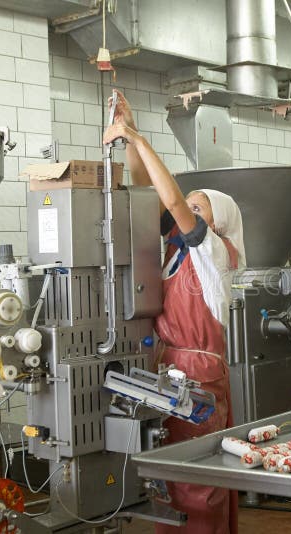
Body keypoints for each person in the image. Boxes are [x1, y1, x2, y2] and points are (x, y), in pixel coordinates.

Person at [103, 90, 242, 534]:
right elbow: (152, 193)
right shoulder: (175, 252)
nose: (185, 211)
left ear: (216, 221)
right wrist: (127, 133)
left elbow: (175, 203)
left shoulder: (216, 255)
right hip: (168, 372)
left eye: (199, 207)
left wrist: (140, 137)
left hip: (200, 378)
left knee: (197, 483)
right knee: (168, 479)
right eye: (190, 204)